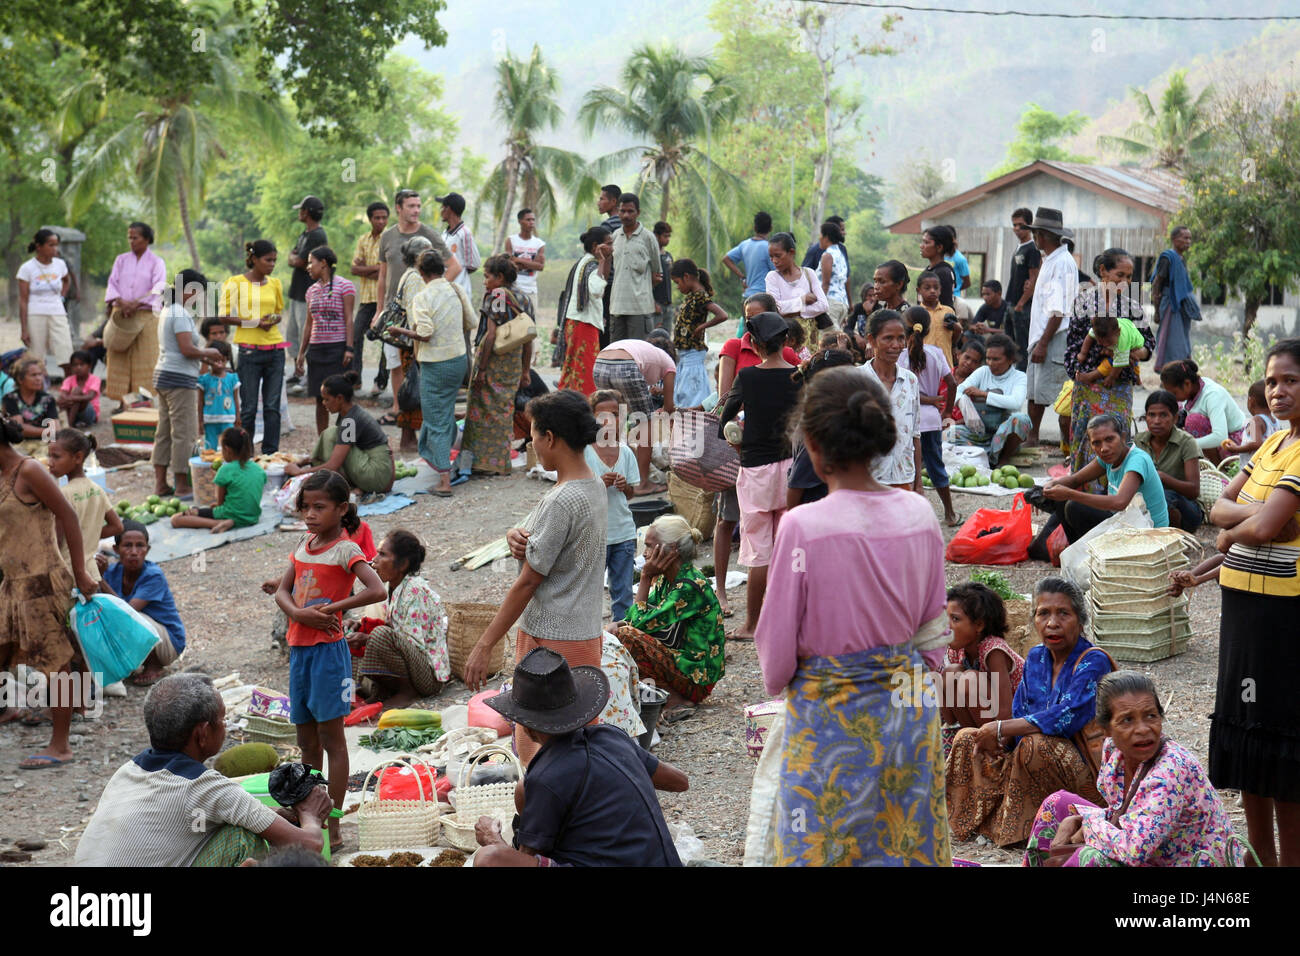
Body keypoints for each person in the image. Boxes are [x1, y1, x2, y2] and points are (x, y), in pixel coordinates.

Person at [754, 366, 951, 866]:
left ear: (813, 447)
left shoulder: (802, 526)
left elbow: (775, 665)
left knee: (826, 846)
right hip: (909, 713)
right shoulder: (918, 514)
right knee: (904, 843)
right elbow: (933, 642)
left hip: (829, 718)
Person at [463, 391, 607, 764]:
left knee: (543, 748)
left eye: (533, 434)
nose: (530, 443)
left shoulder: (561, 501)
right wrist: (516, 533)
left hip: (551, 642)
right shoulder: (593, 486)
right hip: (585, 634)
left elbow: (527, 583)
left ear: (551, 439)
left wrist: (485, 644)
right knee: (579, 742)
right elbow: (536, 534)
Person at [76, 673, 335, 865]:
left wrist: (269, 813)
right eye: (222, 720)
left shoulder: (127, 772)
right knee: (241, 835)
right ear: (202, 734)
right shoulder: (204, 786)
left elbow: (179, 816)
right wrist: (310, 816)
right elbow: (309, 846)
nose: (225, 726)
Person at [1207, 338, 1300, 866]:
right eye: (1272, 381)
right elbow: (1219, 508)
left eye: (1290, 380)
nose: (1278, 390)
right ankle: (1258, 857)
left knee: (1281, 743)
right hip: (1242, 610)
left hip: (1282, 616)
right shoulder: (1272, 446)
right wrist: (1251, 527)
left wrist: (1243, 529)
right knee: (1246, 734)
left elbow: (1255, 521)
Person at [475, 648, 686, 867]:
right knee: (523, 789)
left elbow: (524, 857)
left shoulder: (547, 776)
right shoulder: (612, 736)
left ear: (526, 727)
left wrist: (493, 839)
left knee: (489, 858)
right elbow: (680, 782)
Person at [947, 577, 1116, 847]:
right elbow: (1020, 708)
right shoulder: (1037, 656)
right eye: (1043, 613)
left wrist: (1002, 728)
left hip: (1085, 777)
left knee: (1036, 745)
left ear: (1080, 620)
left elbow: (1065, 718)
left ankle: (1027, 829)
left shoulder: (1094, 661)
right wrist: (998, 740)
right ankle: (982, 824)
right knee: (969, 738)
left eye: (1063, 613)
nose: (1052, 623)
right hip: (1028, 757)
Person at [1025, 671, 1243, 867]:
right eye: (1127, 720)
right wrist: (1082, 819)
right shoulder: (1115, 752)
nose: (1142, 729)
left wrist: (1089, 825)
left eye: (1151, 716)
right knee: (1057, 805)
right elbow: (1124, 817)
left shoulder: (1170, 771)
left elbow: (1134, 850)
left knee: (1092, 859)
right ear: (1106, 729)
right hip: (1151, 851)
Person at [273, 469, 386, 846]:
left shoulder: (346, 550)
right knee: (306, 740)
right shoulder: (305, 543)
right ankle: (309, 812)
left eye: (319, 507)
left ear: (341, 509)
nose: (309, 514)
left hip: (327, 654)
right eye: (305, 507)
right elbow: (283, 590)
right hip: (300, 650)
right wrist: (298, 613)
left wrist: (334, 608)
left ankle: (333, 823)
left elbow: (376, 590)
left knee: (333, 739)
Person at [0, 415, 96, 766]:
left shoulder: (29, 471)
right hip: (12, 582)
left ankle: (61, 746)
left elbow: (67, 515)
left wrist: (82, 571)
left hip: (42, 581)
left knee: (56, 663)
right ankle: (7, 709)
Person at [717, 311, 801, 640]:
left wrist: (738, 443)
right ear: (785, 342)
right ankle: (789, 622)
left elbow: (726, 420)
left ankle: (752, 624)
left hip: (755, 470)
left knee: (758, 552)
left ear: (756, 343)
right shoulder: (799, 376)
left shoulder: (748, 377)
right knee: (788, 548)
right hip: (792, 470)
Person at [617, 514, 725, 715]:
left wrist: (645, 577)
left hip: (697, 679)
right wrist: (618, 625)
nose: (645, 554)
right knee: (618, 631)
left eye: (650, 546)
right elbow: (636, 619)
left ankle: (674, 700)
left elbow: (637, 626)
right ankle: (656, 695)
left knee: (626, 637)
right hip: (684, 667)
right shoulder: (669, 579)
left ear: (672, 549)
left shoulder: (688, 586)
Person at [1063, 248, 1153, 484]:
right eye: (1120, 275)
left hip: (1119, 386)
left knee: (1117, 439)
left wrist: (1137, 352)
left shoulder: (1133, 307)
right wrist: (1083, 373)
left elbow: (1148, 343)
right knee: (1086, 437)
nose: (1125, 282)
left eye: (1129, 277)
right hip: (1088, 387)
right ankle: (1080, 493)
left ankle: (1115, 494)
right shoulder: (1084, 303)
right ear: (1103, 271)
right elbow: (1073, 346)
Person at [392, 250, 474, 496]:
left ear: (421, 273)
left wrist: (401, 331)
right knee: (445, 410)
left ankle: (444, 481)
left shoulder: (422, 297)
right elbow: (470, 321)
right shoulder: (456, 290)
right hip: (458, 360)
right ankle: (444, 461)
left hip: (435, 364)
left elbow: (425, 333)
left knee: (436, 419)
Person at [350, 530, 449, 707]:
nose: (375, 560)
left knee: (379, 634)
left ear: (402, 564)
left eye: (382, 554)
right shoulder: (393, 587)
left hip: (428, 678)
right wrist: (360, 627)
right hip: (413, 667)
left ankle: (407, 693)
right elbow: (396, 628)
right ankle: (372, 692)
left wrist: (369, 638)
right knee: (353, 638)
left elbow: (411, 642)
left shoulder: (414, 590)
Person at [1037, 413, 1170, 542]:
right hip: (1125, 522)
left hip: (1148, 533)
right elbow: (1075, 479)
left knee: (1074, 506)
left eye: (1109, 439)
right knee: (1062, 498)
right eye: (1097, 443)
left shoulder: (1137, 460)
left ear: (1123, 437)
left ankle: (1090, 554)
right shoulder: (1107, 458)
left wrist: (1070, 494)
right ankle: (1082, 550)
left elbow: (1119, 502)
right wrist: (1050, 487)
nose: (1104, 448)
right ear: (1091, 445)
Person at [459, 255, 535, 479]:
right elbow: (528, 337)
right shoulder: (524, 297)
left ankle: (482, 462)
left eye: (487, 276)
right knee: (503, 411)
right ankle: (500, 462)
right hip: (513, 362)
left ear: (499, 277)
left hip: (493, 361)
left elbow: (491, 335)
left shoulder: (496, 295)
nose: (484, 281)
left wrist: (481, 369)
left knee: (481, 410)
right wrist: (525, 370)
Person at [377, 190, 457, 398]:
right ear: (398, 208)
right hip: (394, 311)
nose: (416, 210)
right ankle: (398, 408)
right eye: (411, 206)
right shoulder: (387, 237)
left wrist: (434, 292)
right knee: (394, 362)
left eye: (418, 206)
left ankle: (417, 411)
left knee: (417, 363)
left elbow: (454, 267)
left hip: (422, 315)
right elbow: (382, 277)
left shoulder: (429, 235)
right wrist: (379, 312)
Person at [152, 269, 222, 498]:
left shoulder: (167, 310)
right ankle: (182, 484)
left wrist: (202, 355)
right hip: (179, 379)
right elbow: (186, 349)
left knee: (164, 432)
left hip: (164, 375)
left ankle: (161, 483)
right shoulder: (180, 313)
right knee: (184, 433)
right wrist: (209, 352)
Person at [98, 520, 186, 685]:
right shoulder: (112, 572)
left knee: (132, 619)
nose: (134, 552)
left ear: (147, 550)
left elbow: (126, 613)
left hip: (167, 644)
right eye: (127, 546)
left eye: (140, 546)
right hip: (141, 635)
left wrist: (100, 580)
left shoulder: (153, 575)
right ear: (116, 550)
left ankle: (154, 665)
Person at [219, 240, 286, 455]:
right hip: (248, 352)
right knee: (248, 409)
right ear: (254, 259)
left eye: (275, 260)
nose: (272, 264)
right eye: (268, 260)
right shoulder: (235, 282)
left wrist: (272, 319)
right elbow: (224, 316)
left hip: (275, 350)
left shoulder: (275, 283)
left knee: (272, 407)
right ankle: (245, 455)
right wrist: (255, 322)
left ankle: (270, 454)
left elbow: (278, 312)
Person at [940, 584, 1024, 754]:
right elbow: (949, 717)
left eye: (955, 619)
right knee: (950, 673)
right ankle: (972, 740)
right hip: (985, 721)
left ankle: (994, 749)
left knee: (969, 679)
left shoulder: (993, 650)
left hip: (1012, 725)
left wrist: (1001, 740)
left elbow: (1006, 709)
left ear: (979, 625)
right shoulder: (958, 651)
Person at [285, 373, 395, 496]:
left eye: (327, 399)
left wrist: (300, 472)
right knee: (335, 437)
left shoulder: (350, 421)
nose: (323, 403)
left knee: (330, 435)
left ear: (339, 398)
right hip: (383, 475)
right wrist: (303, 462)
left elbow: (333, 465)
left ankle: (343, 484)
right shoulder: (350, 414)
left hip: (377, 476)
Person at [593, 336, 676, 495]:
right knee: (646, 424)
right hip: (626, 366)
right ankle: (642, 483)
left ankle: (608, 475)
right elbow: (669, 406)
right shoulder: (669, 363)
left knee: (611, 421)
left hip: (601, 363)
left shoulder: (646, 352)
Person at [899, 307, 959, 526]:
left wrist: (927, 400)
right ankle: (950, 513)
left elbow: (908, 389)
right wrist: (945, 410)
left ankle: (910, 515)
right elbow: (952, 384)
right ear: (928, 328)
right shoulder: (936, 353)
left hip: (907, 419)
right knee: (935, 465)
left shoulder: (899, 357)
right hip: (931, 420)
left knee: (909, 466)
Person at [1025, 207, 1079, 445]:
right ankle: (1033, 436)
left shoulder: (1062, 263)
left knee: (1060, 394)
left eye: (1036, 233)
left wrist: (1044, 343)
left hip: (1054, 335)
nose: (1035, 238)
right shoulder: (1050, 260)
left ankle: (1065, 444)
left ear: (1042, 235)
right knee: (1035, 393)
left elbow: (1058, 309)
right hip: (1042, 335)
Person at [586, 390, 640, 622]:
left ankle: (624, 642)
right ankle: (590, 642)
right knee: (589, 595)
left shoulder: (626, 452)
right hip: (594, 536)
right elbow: (575, 493)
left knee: (623, 595)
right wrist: (598, 485)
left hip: (623, 535)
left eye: (616, 414)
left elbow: (630, 494)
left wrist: (624, 485)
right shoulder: (583, 453)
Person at [858, 310, 922, 492]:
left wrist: (918, 482)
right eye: (888, 338)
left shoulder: (910, 380)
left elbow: (915, 435)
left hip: (904, 476)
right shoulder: (857, 380)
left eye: (901, 338)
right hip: (866, 478)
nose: (896, 345)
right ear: (871, 340)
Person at [295, 247, 356, 435]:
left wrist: (349, 348)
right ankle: (323, 440)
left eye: (311, 262)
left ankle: (345, 440)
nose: (308, 267)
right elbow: (308, 323)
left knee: (341, 399)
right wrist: (301, 353)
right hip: (316, 350)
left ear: (323, 263)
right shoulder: (311, 291)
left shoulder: (345, 286)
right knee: (319, 399)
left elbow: (348, 318)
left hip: (337, 349)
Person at [49, 429, 121, 585]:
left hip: (69, 574)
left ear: (78, 457)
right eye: (49, 456)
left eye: (56, 456)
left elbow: (57, 542)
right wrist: (90, 535)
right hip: (91, 572)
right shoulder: (97, 489)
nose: (50, 462)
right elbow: (117, 526)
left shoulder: (63, 495)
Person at [948, 333, 1030, 468]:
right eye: (988, 359)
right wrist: (964, 403)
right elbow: (959, 390)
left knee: (1021, 419)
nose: (991, 363)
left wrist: (983, 394)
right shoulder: (983, 371)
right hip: (979, 433)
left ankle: (1002, 459)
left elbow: (1015, 402)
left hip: (1004, 435)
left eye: (996, 359)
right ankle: (986, 455)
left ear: (1010, 359)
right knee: (949, 434)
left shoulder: (1019, 377)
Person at [171, 427, 266, 534]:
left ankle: (218, 523)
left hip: (230, 516)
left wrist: (214, 507)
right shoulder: (259, 469)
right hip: (252, 518)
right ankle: (225, 521)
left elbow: (220, 504)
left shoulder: (225, 470)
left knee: (176, 519)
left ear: (228, 449)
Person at [1133, 390, 1203, 531]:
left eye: (1163, 415)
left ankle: (1173, 537)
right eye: (1151, 415)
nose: (1156, 421)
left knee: (1164, 496)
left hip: (1185, 509)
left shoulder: (1186, 442)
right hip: (1146, 505)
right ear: (1146, 417)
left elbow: (1193, 491)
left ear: (1175, 418)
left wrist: (1162, 478)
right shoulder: (1139, 441)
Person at [1159, 359, 1246, 466]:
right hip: (1219, 441)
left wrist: (1186, 444)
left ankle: (1221, 470)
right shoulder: (1194, 389)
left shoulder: (1212, 395)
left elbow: (1220, 437)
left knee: (1194, 421)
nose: (1173, 397)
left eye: (1174, 393)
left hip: (1235, 444)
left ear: (1187, 384)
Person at [558, 226, 612, 396]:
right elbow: (596, 290)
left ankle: (567, 399)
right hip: (584, 323)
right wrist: (603, 261)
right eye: (608, 244)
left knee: (573, 366)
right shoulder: (591, 265)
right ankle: (586, 403)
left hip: (576, 321)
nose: (612, 248)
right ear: (597, 245)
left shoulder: (583, 262)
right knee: (586, 368)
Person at [669, 258, 728, 409]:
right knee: (686, 388)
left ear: (687, 277)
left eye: (677, 282)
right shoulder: (692, 296)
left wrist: (702, 327)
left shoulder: (700, 296)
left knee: (692, 389)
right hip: (685, 352)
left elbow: (722, 315)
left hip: (692, 352)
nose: (677, 287)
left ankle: (692, 416)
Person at [285, 195, 328, 394]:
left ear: (307, 212)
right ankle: (298, 371)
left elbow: (301, 261)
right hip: (297, 291)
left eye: (301, 209)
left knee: (306, 333)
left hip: (308, 293)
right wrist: (296, 259)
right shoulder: (305, 235)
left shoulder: (317, 236)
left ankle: (308, 375)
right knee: (293, 333)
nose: (299, 213)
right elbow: (294, 258)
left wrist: (296, 259)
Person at [17, 229, 72, 376]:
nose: (55, 249)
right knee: (36, 358)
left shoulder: (60, 264)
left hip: (58, 312)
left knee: (65, 352)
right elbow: (23, 300)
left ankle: (68, 390)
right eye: (51, 245)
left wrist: (62, 296)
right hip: (35, 314)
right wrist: (24, 329)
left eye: (56, 245)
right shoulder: (27, 268)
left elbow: (66, 280)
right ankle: (40, 392)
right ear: (39, 246)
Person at [609, 193, 662, 342]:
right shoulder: (614, 237)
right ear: (618, 211)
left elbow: (657, 275)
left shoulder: (648, 238)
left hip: (640, 308)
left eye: (630, 211)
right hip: (617, 307)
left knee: (639, 355)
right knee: (617, 354)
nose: (626, 215)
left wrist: (643, 290)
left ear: (638, 212)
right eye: (622, 211)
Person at [765, 232, 828, 349]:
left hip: (809, 339)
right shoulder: (772, 277)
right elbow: (775, 308)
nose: (774, 260)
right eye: (771, 257)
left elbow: (823, 305)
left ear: (791, 252)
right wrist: (802, 300)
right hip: (785, 337)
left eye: (778, 256)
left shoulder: (809, 273)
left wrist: (793, 311)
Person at [348, 201, 389, 381]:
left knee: (387, 342)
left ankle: (380, 381)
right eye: (377, 218)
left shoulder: (390, 239)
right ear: (370, 219)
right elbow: (354, 269)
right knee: (355, 336)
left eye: (384, 218)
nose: (381, 221)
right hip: (366, 299)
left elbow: (386, 271)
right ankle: (355, 378)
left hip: (385, 299)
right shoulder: (363, 239)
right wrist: (377, 269)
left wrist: (368, 269)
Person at [1150, 226, 1198, 370]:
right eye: (1185, 238)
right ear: (1174, 240)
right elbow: (1157, 284)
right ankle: (1168, 374)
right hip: (1170, 304)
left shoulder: (1181, 259)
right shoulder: (1168, 258)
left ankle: (1178, 374)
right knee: (1171, 341)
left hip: (1180, 306)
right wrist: (1157, 311)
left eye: (1190, 238)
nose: (1188, 242)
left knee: (1181, 341)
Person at [723, 212, 776, 336]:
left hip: (747, 297)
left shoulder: (745, 245)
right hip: (764, 298)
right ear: (771, 228)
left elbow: (726, 259)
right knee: (764, 334)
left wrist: (742, 276)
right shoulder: (769, 248)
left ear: (754, 227)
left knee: (748, 334)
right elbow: (776, 272)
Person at [2, 356, 59, 455]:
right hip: (19, 445)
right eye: (33, 375)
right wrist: (46, 431)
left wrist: (46, 432)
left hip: (43, 445)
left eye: (40, 374)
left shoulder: (47, 399)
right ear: (20, 379)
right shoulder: (10, 398)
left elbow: (56, 429)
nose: (38, 379)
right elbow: (19, 430)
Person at [1006, 207, 1041, 370]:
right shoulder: (1019, 248)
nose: (1017, 228)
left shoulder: (1032, 248)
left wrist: (1021, 303)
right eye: (1014, 225)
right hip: (1011, 302)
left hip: (1023, 306)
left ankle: (1023, 382)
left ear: (1029, 225)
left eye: (1021, 225)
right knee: (1010, 345)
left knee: (1022, 347)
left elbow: (1033, 278)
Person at [1222, 379, 1282, 466]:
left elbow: (1256, 443)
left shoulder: (1254, 421)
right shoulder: (1275, 421)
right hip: (1266, 466)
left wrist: (1236, 449)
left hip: (1252, 469)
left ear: (1251, 401)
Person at [437, 191, 480, 303]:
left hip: (460, 290)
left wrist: (458, 270)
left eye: (443, 207)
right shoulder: (445, 234)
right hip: (445, 289)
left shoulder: (464, 233)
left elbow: (474, 264)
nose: (441, 211)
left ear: (449, 209)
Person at [198, 341, 240, 452]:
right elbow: (200, 401)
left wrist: (238, 417)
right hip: (210, 419)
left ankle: (228, 467)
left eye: (222, 360)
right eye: (215, 360)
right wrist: (200, 421)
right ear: (208, 359)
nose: (219, 363)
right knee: (210, 448)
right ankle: (211, 468)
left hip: (228, 418)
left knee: (230, 446)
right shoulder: (204, 379)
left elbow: (236, 399)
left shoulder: (232, 378)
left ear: (227, 359)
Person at [916, 271, 959, 366]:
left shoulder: (948, 311)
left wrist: (957, 329)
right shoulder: (916, 312)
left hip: (946, 364)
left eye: (936, 288)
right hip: (924, 365)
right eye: (927, 288)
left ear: (940, 290)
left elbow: (954, 336)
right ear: (918, 290)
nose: (932, 291)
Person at [505, 208, 546, 300]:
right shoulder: (511, 240)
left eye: (533, 220)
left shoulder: (539, 244)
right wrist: (532, 264)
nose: (531, 222)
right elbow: (508, 264)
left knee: (531, 314)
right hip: (513, 289)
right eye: (528, 220)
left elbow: (540, 267)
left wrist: (517, 260)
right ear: (520, 221)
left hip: (531, 290)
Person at [55, 349, 102, 428]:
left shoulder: (95, 379)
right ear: (71, 367)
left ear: (89, 366)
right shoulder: (69, 380)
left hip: (89, 413)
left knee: (77, 391)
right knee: (62, 399)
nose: (78, 367)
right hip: (72, 410)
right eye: (75, 365)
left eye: (82, 364)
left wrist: (72, 397)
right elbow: (62, 395)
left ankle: (68, 425)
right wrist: (68, 398)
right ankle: (66, 423)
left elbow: (90, 396)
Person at [817, 221, 850, 329]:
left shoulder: (827, 255)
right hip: (842, 302)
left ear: (826, 237)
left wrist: (819, 304)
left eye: (820, 235)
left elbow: (826, 283)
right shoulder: (840, 254)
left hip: (831, 302)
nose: (819, 238)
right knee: (836, 338)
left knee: (830, 339)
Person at [919, 225, 957, 308]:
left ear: (939, 247)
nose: (921, 246)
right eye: (922, 242)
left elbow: (945, 305)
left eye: (926, 243)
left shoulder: (943, 272)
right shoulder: (930, 270)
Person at [652, 220, 674, 333]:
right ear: (656, 236)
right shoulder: (651, 256)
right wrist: (653, 303)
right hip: (656, 304)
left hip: (668, 304)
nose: (667, 239)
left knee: (667, 336)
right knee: (655, 336)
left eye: (669, 236)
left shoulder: (668, 256)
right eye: (665, 236)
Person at [945, 228, 972, 295]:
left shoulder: (960, 259)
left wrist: (955, 290)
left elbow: (967, 283)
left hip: (953, 298)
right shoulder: (938, 256)